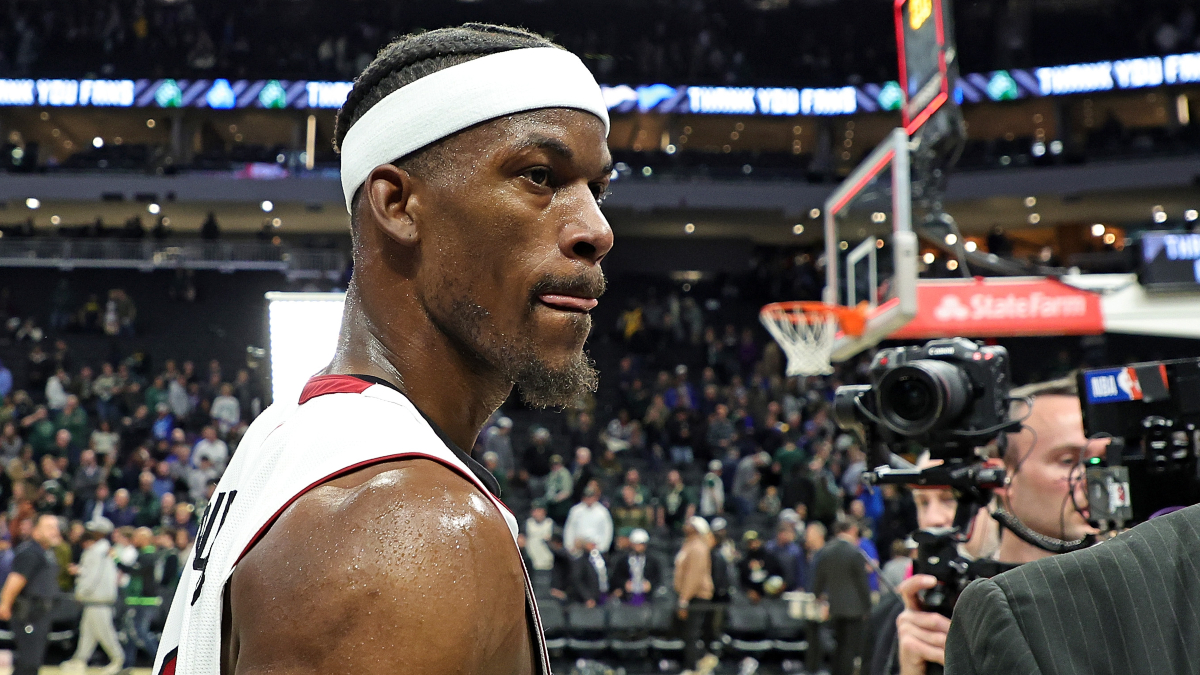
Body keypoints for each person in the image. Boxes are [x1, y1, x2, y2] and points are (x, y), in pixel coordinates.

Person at [155, 23, 612, 675]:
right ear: (398, 204)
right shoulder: (409, 524)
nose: (598, 229)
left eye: (600, 188)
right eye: (541, 176)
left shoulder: (285, 435)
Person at [902, 378, 1103, 674]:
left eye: (1100, 458)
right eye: (1068, 461)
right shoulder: (943, 610)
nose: (1094, 478)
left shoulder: (1139, 588)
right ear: (999, 476)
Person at [0, 514, 63, 675]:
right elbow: (15, 580)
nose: (54, 531)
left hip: (41, 614)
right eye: (49, 528)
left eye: (56, 528)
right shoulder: (30, 552)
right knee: (29, 663)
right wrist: (5, 605)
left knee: (30, 663)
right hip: (29, 614)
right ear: (36, 530)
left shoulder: (46, 552)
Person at [811, 518, 872, 675]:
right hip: (855, 608)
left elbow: (819, 578)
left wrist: (817, 596)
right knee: (849, 648)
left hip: (835, 607)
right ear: (851, 530)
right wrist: (868, 607)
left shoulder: (826, 551)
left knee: (838, 645)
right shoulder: (855, 552)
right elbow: (862, 583)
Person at [63, 518, 124, 675]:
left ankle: (118, 660)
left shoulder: (97, 551)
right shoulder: (103, 549)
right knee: (87, 632)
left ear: (100, 533)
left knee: (105, 632)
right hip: (94, 600)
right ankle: (80, 660)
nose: (89, 533)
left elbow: (92, 577)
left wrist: (80, 592)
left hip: (98, 600)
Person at [674, 516, 714, 672]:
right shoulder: (689, 545)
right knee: (688, 633)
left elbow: (694, 576)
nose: (686, 526)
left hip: (696, 596)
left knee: (692, 634)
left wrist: (684, 599)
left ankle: (694, 667)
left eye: (690, 524)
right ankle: (698, 662)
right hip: (689, 595)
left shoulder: (698, 547)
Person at [609, 528, 661, 605]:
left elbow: (657, 577)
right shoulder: (623, 560)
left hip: (647, 597)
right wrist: (624, 584)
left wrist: (650, 585)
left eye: (641, 544)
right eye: (636, 544)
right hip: (627, 597)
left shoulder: (652, 561)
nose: (639, 547)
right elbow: (616, 577)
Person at [564, 485, 614, 554]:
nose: (589, 499)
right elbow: (570, 529)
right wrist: (569, 546)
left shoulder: (602, 512)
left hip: (595, 547)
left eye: (591, 496)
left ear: (596, 497)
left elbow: (607, 531)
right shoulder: (575, 510)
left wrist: (602, 548)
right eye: (587, 496)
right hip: (578, 547)